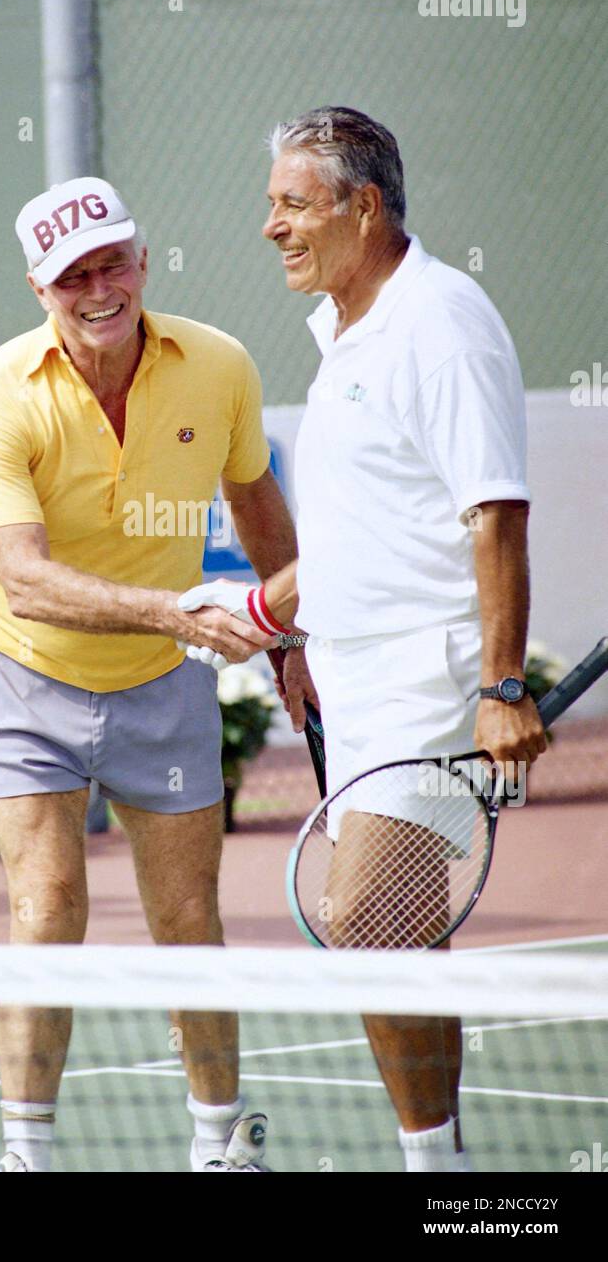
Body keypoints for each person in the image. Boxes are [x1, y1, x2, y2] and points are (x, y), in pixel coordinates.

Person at [179, 107, 546, 1173]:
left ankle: (437, 1175)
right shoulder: (343, 329)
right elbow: (361, 536)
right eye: (272, 205)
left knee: (368, 921)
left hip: (427, 683)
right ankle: (441, 1172)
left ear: (364, 207)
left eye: (293, 205)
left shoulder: (440, 319)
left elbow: (494, 513)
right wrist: (269, 624)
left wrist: (502, 685)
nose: (271, 227)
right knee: (400, 938)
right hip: (354, 684)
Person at [0, 174, 309, 1172]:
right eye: (73, 277)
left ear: (144, 261)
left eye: (113, 264)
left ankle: (222, 1144)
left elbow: (255, 498)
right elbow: (23, 580)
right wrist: (178, 612)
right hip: (22, 674)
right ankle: (25, 1156)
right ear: (39, 288)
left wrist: (292, 638)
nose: (99, 289)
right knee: (48, 909)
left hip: (162, 680)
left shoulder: (219, 366)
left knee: (189, 919)